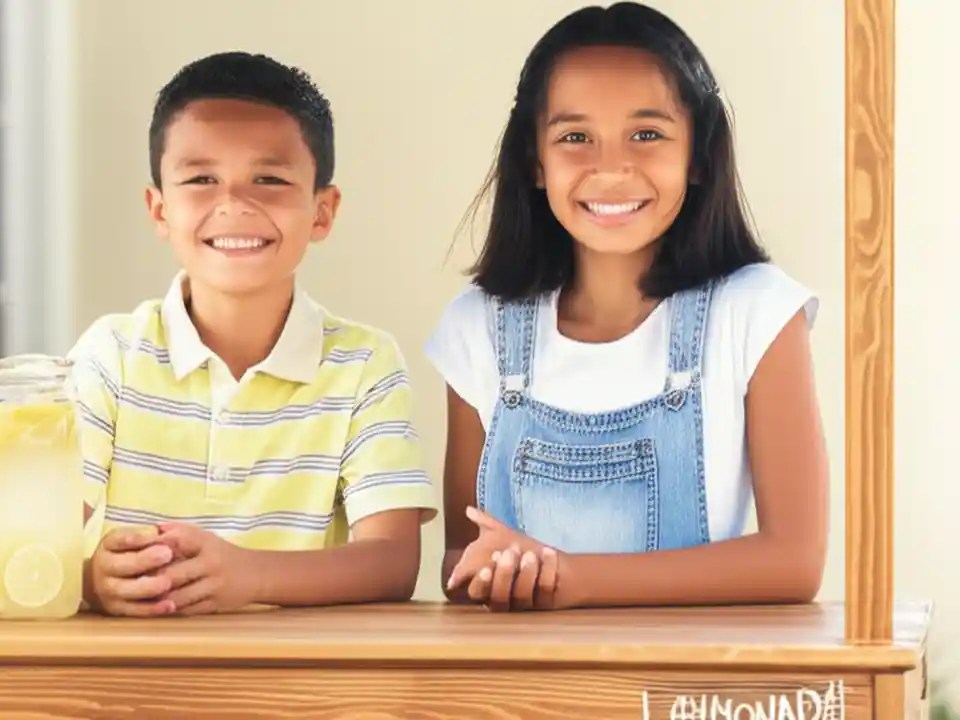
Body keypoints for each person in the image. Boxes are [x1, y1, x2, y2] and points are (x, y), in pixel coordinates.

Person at [426, 3, 828, 611]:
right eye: (574, 137)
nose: (611, 167)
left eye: (647, 134)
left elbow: (793, 563)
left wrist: (570, 579)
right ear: (535, 162)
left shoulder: (757, 312)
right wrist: (487, 571)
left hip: (682, 691)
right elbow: (460, 559)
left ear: (698, 154)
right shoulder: (478, 325)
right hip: (513, 695)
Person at [70, 51, 437, 617]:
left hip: (300, 695)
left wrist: (246, 574)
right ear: (159, 209)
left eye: (269, 179)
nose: (234, 204)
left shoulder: (364, 363)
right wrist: (95, 580)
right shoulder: (110, 356)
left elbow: (392, 562)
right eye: (200, 179)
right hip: (129, 693)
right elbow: (33, 544)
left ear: (322, 211)